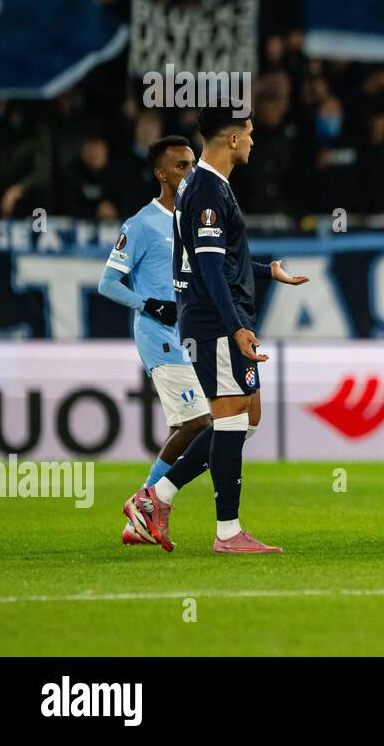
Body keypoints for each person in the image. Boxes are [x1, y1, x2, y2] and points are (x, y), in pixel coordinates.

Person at [122, 107, 309, 554]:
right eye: (248, 133)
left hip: (215, 315)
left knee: (247, 417)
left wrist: (265, 271)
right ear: (231, 139)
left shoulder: (204, 187)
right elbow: (207, 267)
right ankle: (227, 531)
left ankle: (156, 497)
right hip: (214, 320)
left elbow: (214, 259)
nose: (252, 141)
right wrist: (236, 326)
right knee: (229, 419)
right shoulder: (206, 189)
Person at [98, 135, 212, 546]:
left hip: (192, 339)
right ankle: (147, 500)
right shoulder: (141, 224)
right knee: (201, 423)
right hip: (159, 337)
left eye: (193, 164)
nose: (190, 172)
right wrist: (149, 304)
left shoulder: (193, 219)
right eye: (181, 166)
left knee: (204, 425)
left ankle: (142, 518)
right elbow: (107, 283)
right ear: (161, 174)